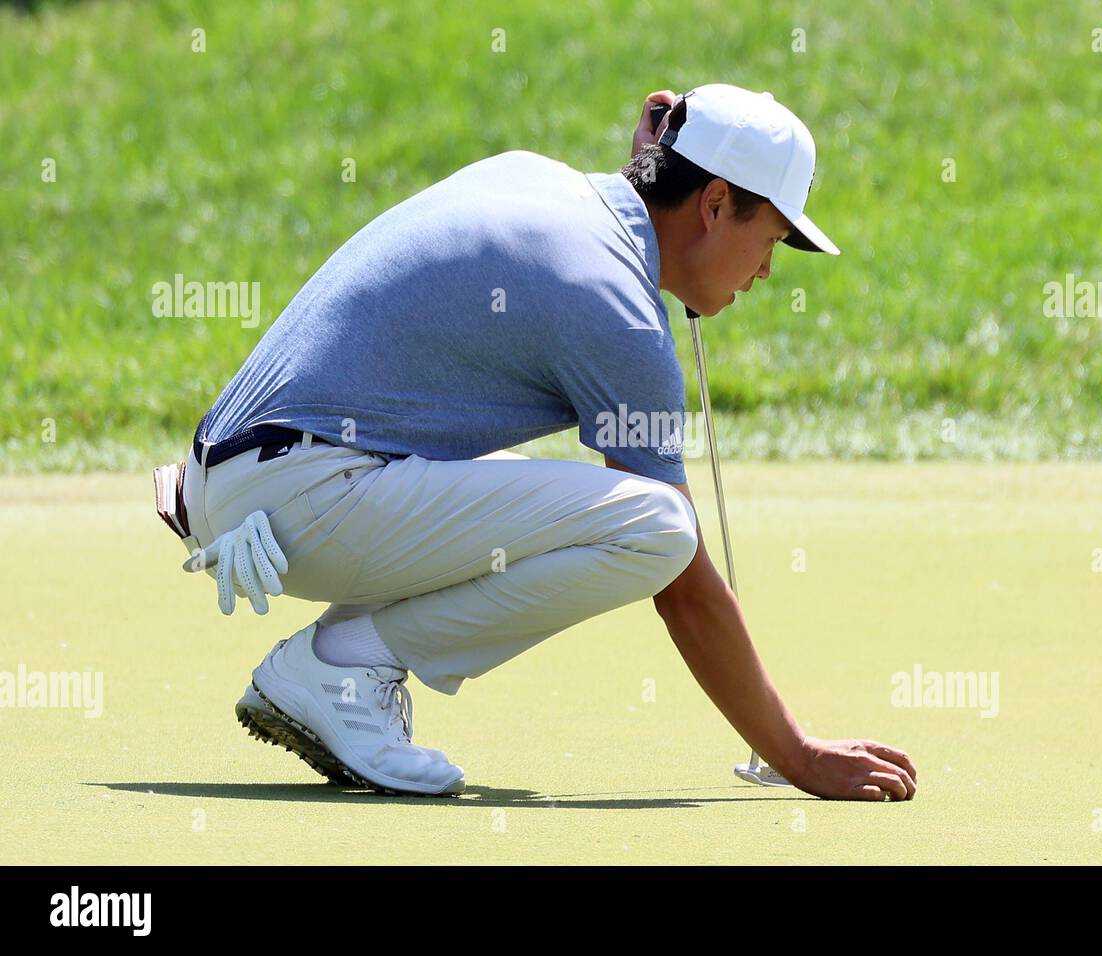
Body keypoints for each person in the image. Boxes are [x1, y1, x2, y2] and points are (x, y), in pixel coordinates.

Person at [155, 83, 918, 801]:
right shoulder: (618, 307)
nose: (763, 272)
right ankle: (342, 667)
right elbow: (682, 585)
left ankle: (340, 656)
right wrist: (797, 753)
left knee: (548, 491)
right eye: (771, 239)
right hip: (301, 494)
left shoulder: (539, 181)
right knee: (657, 526)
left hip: (238, 478)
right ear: (716, 204)